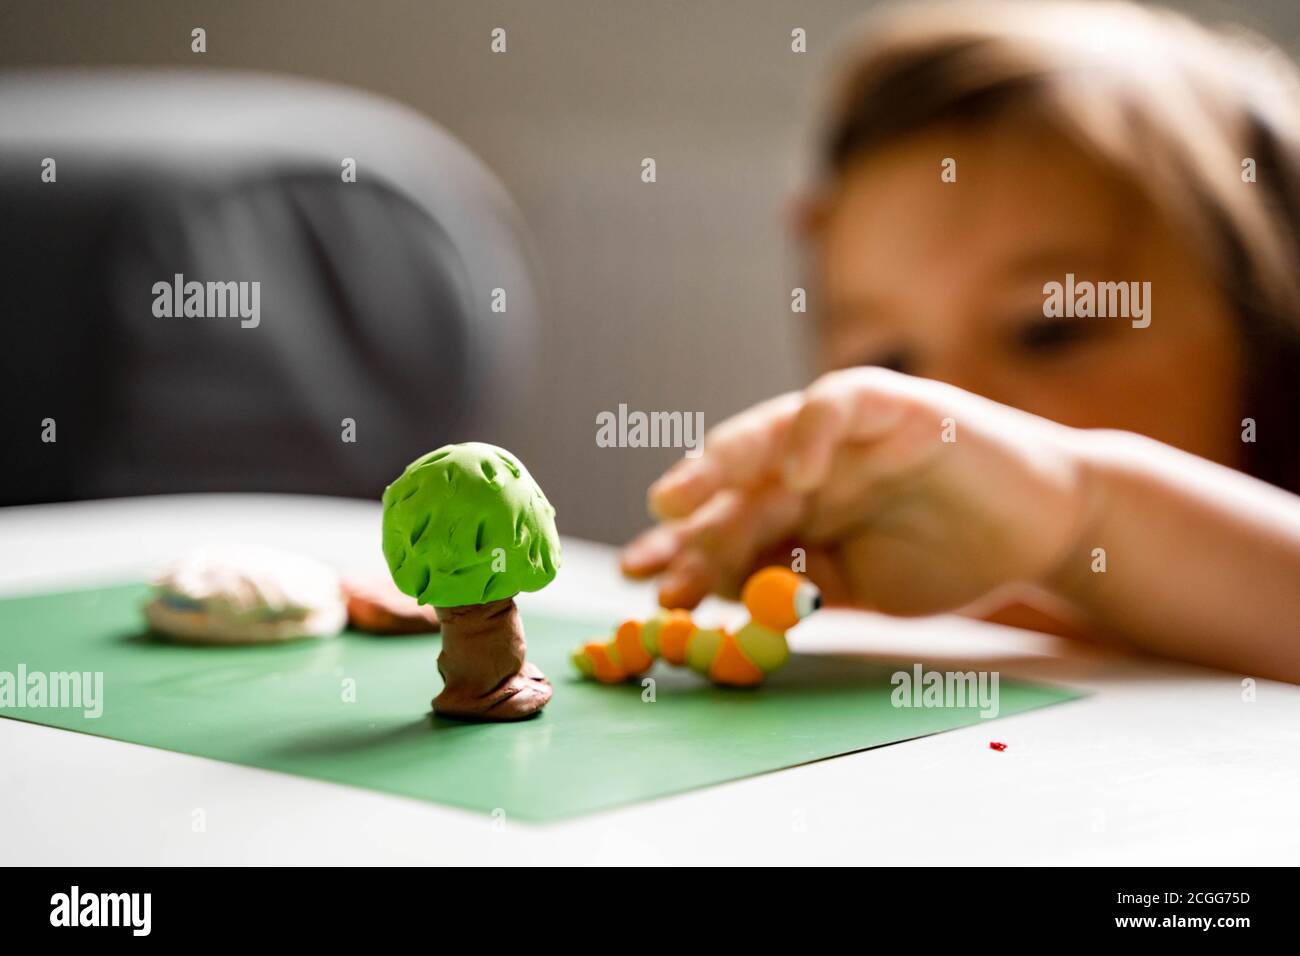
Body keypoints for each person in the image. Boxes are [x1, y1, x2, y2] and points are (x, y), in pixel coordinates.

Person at [620, 0, 1300, 682]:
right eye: (889, 362)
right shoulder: (883, 614)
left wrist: (1085, 515)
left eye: (1047, 331)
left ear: (1269, 345)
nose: (949, 418)